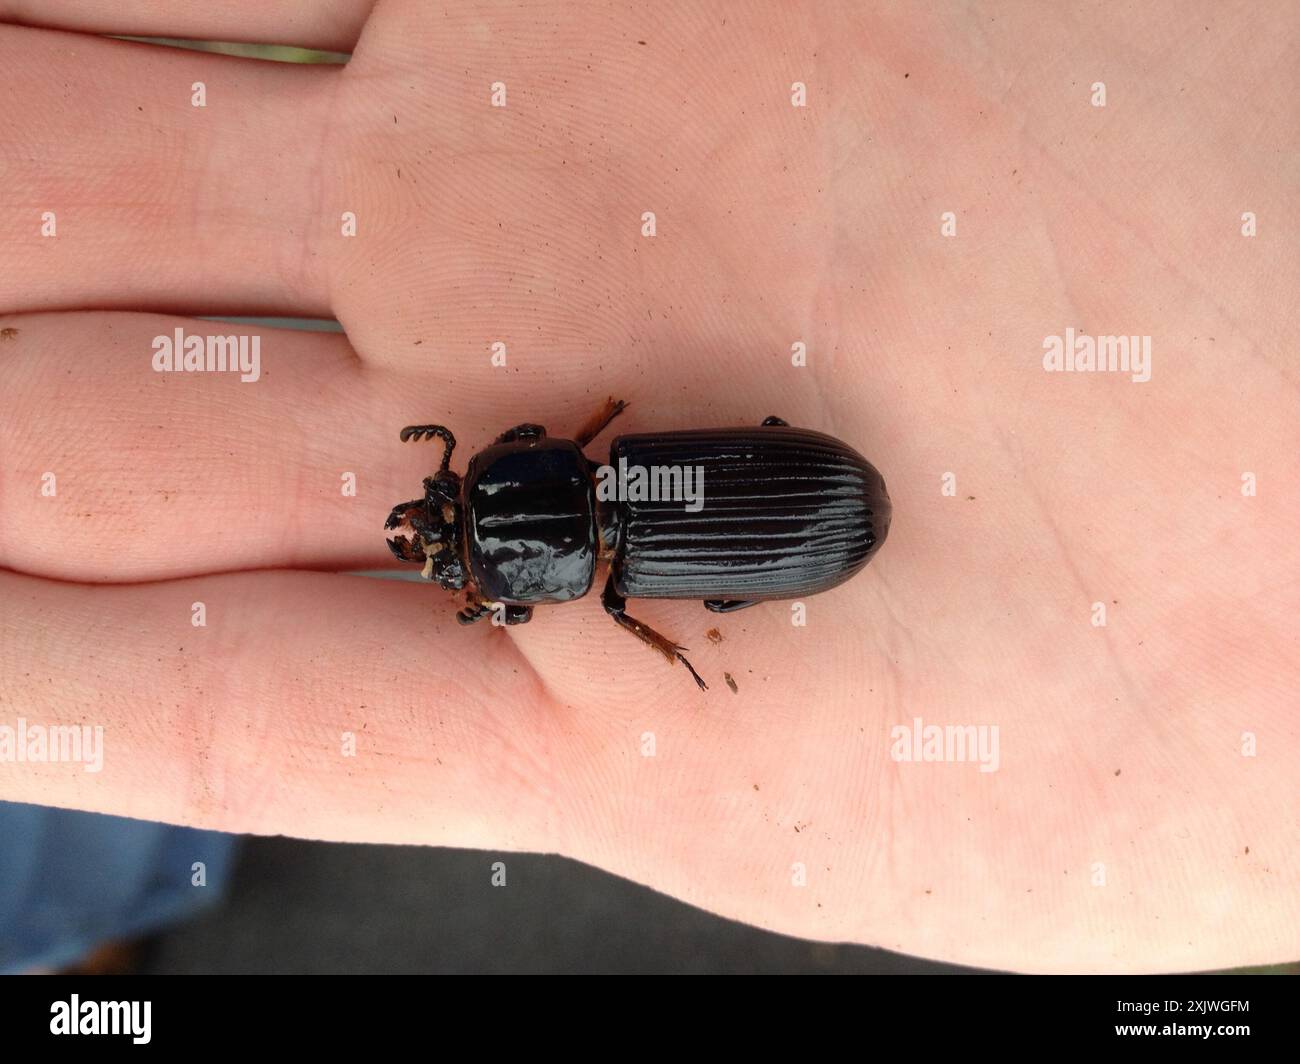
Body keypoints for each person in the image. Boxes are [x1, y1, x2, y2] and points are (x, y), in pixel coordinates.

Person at [0, 1, 1295, 974]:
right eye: (459, 537)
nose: (441, 529)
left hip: (778, 526)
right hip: (790, 504)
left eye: (459, 526)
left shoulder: (601, 546)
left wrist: (505, 585)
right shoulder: (602, 464)